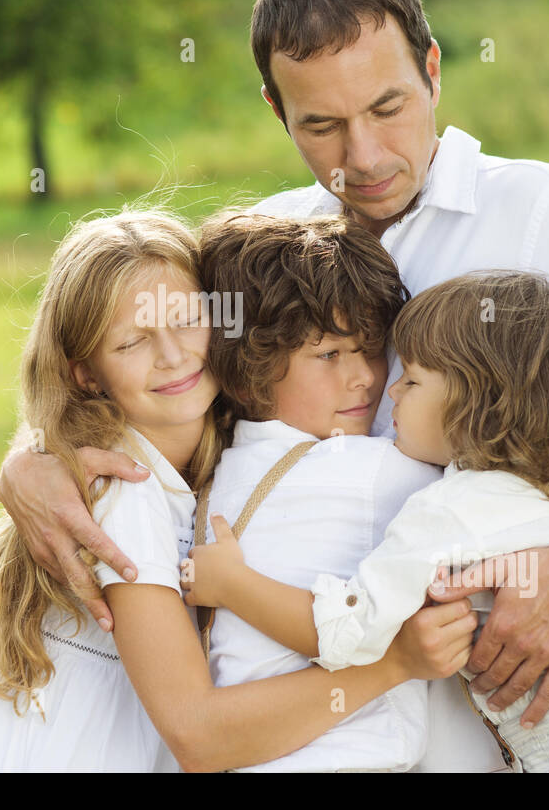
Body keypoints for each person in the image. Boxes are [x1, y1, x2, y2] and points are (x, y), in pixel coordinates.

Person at [0, 0, 549, 742]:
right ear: (277, 112)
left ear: (432, 68)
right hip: (341, 721)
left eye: (388, 107)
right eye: (321, 125)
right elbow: (144, 357)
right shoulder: (273, 246)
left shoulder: (541, 211)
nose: (365, 158)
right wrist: (36, 457)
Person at [0, 208, 469, 772]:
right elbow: (198, 734)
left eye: (186, 320)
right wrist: (393, 664)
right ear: (85, 373)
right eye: (132, 342)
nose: (174, 355)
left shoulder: (221, 453)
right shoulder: (122, 487)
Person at [183, 270, 549, 772]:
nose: (389, 390)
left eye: (414, 380)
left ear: (476, 404)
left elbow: (347, 631)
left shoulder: (449, 510)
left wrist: (232, 583)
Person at [184, 210, 447, 771]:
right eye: (328, 355)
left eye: (371, 348)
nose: (367, 377)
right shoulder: (375, 468)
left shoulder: (217, 470)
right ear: (250, 367)